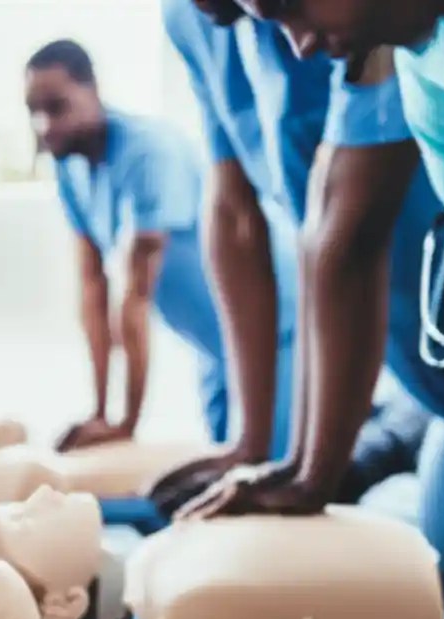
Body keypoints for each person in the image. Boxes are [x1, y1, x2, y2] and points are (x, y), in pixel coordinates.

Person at [173, 0, 444, 619]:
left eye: (291, 10)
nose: (299, 47)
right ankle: (408, 436)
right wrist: (308, 473)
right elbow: (342, 228)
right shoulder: (405, 46)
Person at [154, 0, 444, 524]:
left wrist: (314, 476)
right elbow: (235, 215)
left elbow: (345, 232)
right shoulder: (191, 19)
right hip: (428, 371)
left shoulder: (357, 20)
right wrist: (252, 443)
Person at [25, 40, 297, 456]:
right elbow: (93, 292)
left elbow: (134, 300)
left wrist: (126, 425)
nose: (45, 126)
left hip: (278, 333)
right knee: (224, 477)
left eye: (58, 107)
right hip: (214, 347)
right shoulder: (70, 168)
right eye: (34, 111)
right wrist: (99, 413)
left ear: (93, 90)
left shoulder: (148, 153)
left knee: (267, 482)